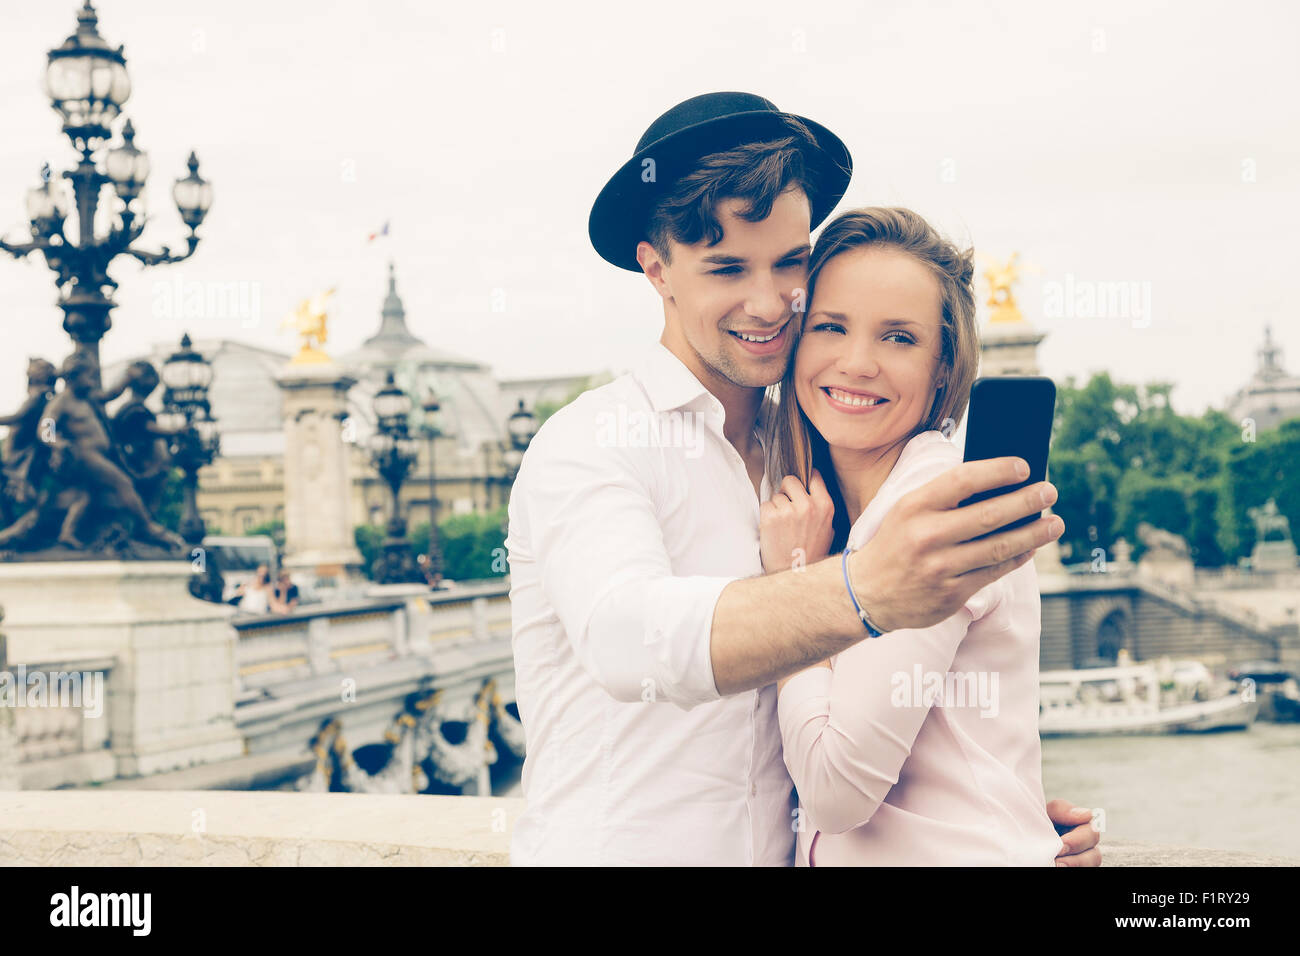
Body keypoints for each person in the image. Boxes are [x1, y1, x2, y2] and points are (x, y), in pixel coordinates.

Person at [505, 91, 1098, 866]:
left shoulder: (819, 448)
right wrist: (860, 587)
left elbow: (864, 722)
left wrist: (988, 813)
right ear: (658, 271)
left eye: (789, 264)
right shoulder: (591, 442)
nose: (767, 303)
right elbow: (629, 641)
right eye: (726, 268)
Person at [763, 207, 1060, 865]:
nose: (857, 362)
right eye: (830, 326)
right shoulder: (830, 503)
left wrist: (791, 582)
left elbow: (836, 791)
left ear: (943, 367)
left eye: (899, 338)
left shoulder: (935, 510)